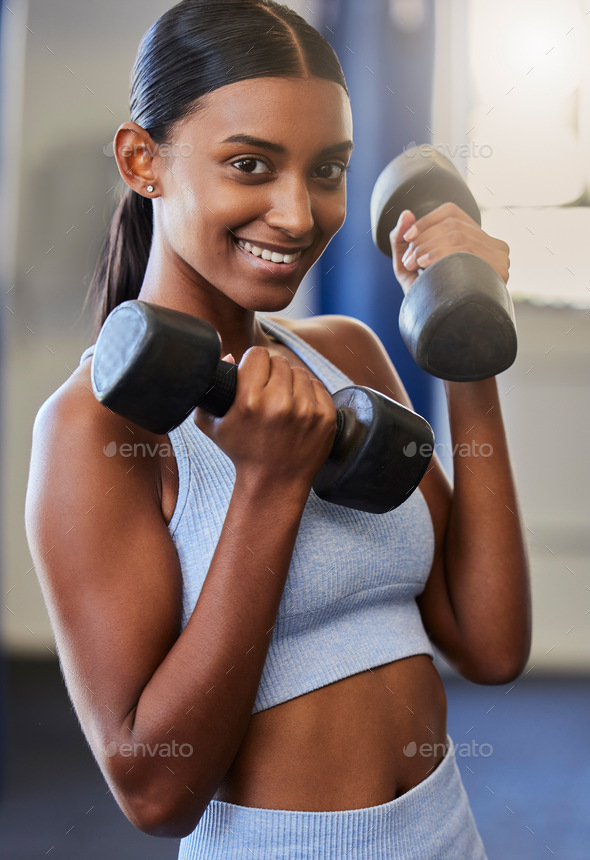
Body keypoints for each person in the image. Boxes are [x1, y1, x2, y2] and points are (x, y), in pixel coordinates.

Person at [24, 1, 531, 857]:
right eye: (250, 164)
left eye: (327, 170)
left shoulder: (350, 356)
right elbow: (154, 790)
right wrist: (266, 486)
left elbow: (490, 645)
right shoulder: (98, 427)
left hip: (447, 833)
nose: (299, 216)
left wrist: (469, 343)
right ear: (142, 160)